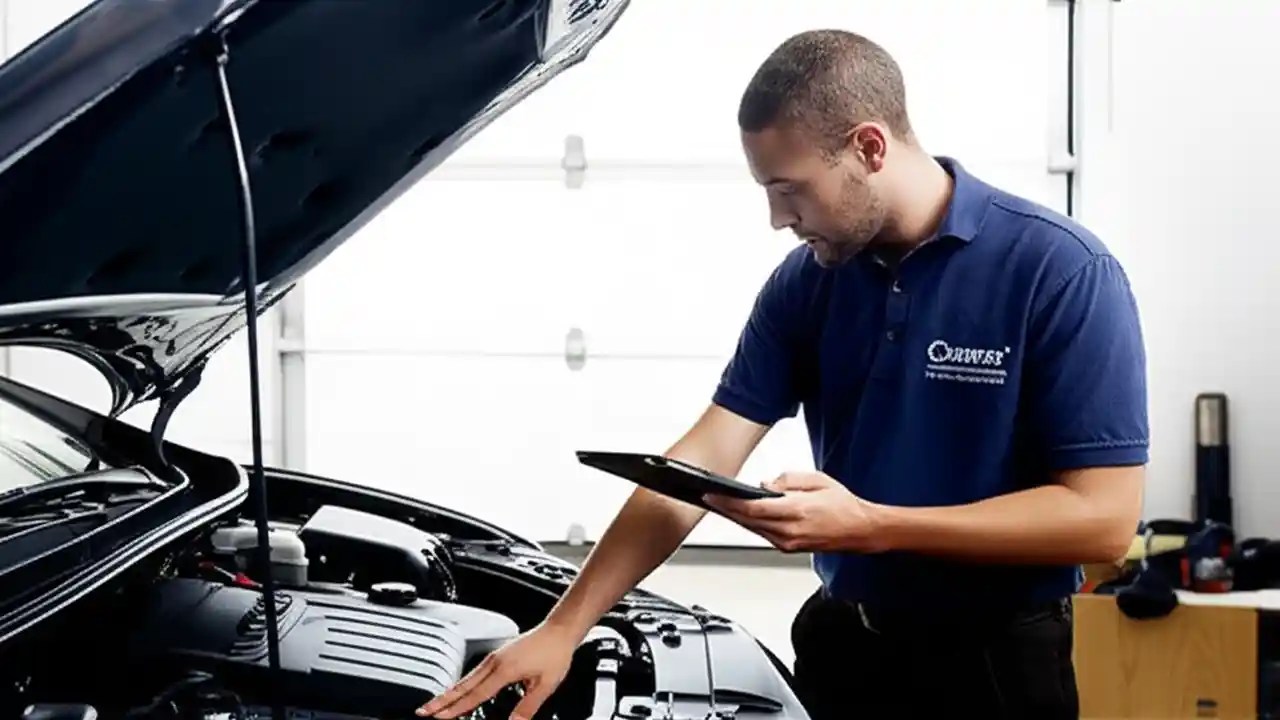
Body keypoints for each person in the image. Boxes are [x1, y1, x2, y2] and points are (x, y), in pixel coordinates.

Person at [418, 28, 1146, 720]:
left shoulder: (1061, 273)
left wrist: (873, 526)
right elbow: (698, 462)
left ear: (868, 147)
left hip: (992, 666)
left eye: (789, 189)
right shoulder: (809, 282)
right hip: (842, 646)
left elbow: (1105, 521)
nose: (777, 218)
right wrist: (564, 626)